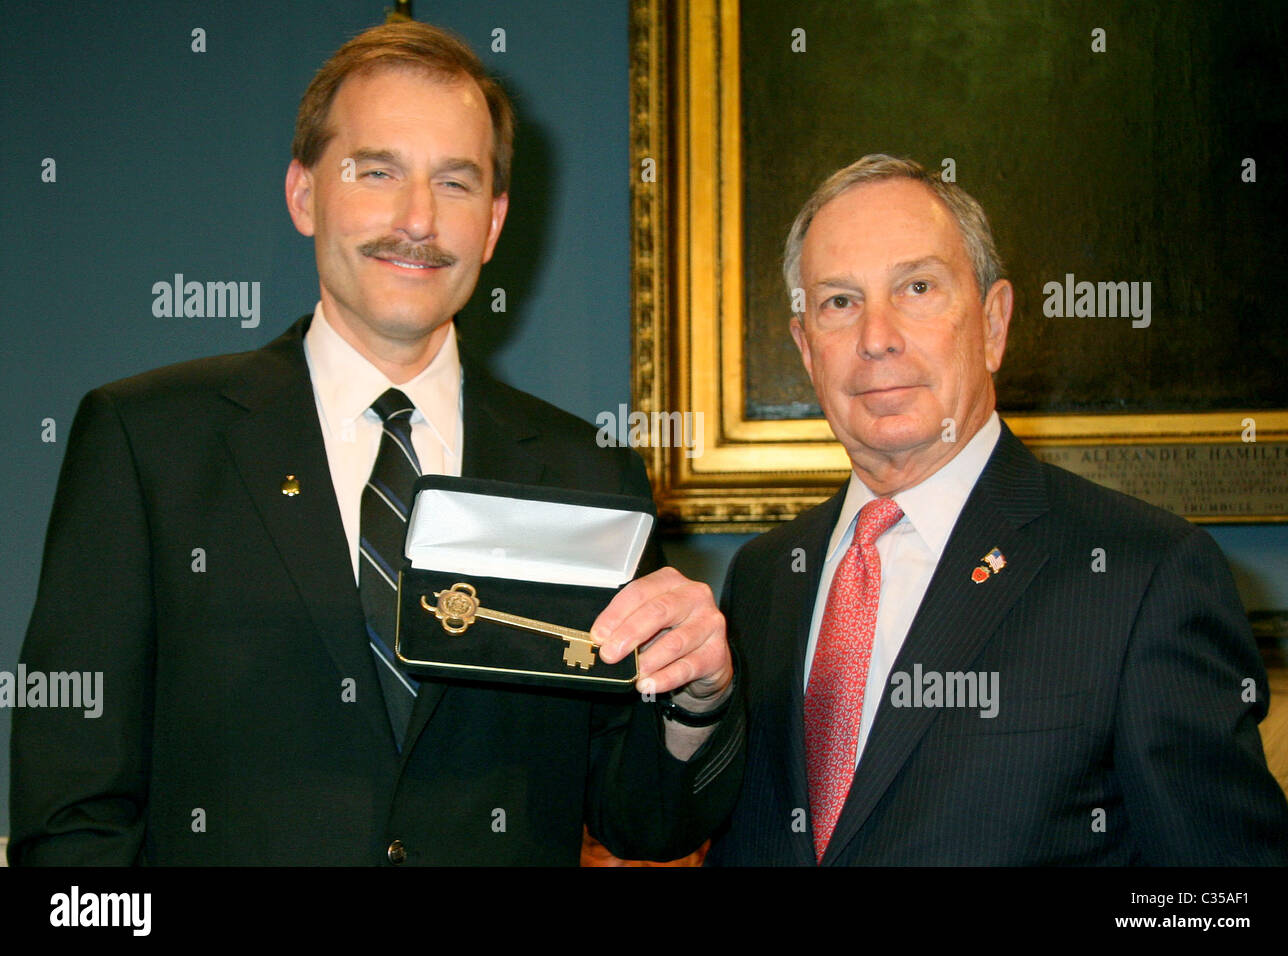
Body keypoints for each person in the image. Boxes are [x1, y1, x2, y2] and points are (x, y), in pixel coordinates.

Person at [9, 21, 740, 866]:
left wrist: (697, 697)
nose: (417, 219)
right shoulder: (149, 444)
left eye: (456, 183)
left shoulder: (587, 470)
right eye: (377, 171)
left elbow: (643, 818)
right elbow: (72, 820)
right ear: (303, 193)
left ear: (495, 224)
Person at [706, 154, 1288, 866]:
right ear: (806, 347)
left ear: (993, 323)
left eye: (917, 287)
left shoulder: (1144, 574)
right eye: (839, 302)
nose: (876, 337)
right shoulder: (765, 578)